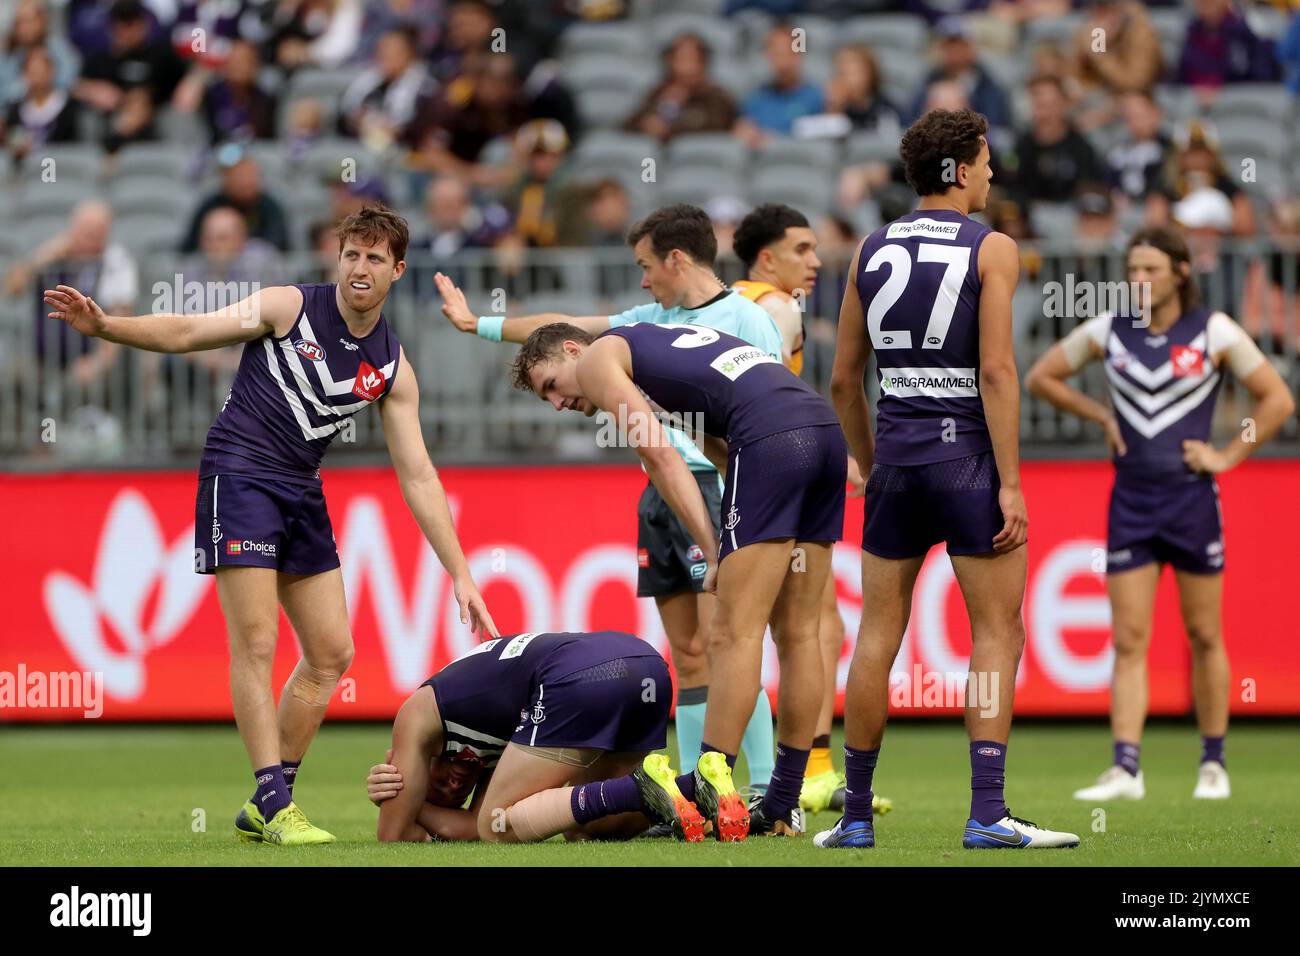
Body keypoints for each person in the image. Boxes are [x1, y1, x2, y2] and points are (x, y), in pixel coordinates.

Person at [43, 204, 498, 846]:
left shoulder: (392, 366)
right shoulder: (289, 306)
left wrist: (461, 573)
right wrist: (106, 326)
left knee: (332, 652)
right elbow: (186, 332)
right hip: (240, 472)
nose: (360, 268)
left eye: (375, 258)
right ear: (337, 258)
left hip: (301, 487)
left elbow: (419, 475)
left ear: (398, 270)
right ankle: (274, 799)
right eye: (351, 254)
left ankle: (268, 798)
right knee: (257, 645)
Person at [435, 205, 781, 805]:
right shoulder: (646, 320)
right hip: (660, 493)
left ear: (676, 259)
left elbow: (765, 406)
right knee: (690, 653)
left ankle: (767, 785)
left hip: (713, 482)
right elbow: (561, 324)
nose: (642, 279)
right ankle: (703, 788)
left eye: (646, 266)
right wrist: (478, 326)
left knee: (729, 635)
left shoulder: (746, 319)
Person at [821, 106, 1078, 851]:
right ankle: (988, 813)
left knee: (875, 636)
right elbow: (998, 369)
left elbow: (843, 381)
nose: (994, 172)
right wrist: (1012, 483)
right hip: (966, 460)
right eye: (988, 160)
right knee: (996, 634)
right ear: (961, 170)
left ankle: (857, 817)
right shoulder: (992, 247)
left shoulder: (869, 248)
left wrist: (869, 464)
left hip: (897, 463)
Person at [508, 312, 846, 841]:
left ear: (574, 350)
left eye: (551, 385)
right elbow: (713, 440)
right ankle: (781, 801)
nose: (557, 403)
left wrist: (714, 552)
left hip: (772, 436)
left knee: (733, 629)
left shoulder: (601, 359)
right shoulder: (658, 353)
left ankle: (708, 783)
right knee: (800, 632)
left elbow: (662, 458)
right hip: (821, 430)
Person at [1025, 225, 1294, 803]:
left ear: (1179, 273)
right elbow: (1041, 377)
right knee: (1128, 639)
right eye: (1134, 270)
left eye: (1151, 269)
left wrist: (1228, 452)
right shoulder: (1109, 330)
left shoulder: (1214, 331)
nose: (1140, 280)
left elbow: (1277, 399)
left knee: (1203, 633)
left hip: (1193, 501)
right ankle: (1126, 768)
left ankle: (1214, 762)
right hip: (1132, 502)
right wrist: (1098, 415)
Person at [730, 203, 883, 816]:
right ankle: (804, 771)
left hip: (743, 473)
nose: (817, 262)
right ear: (766, 258)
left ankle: (745, 772)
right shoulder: (776, 307)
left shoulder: (728, 301)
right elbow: (768, 397)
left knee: (752, 631)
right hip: (772, 480)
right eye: (802, 249)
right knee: (805, 628)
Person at [366, 630, 705, 843]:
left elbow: (393, 835)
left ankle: (640, 786)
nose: (454, 783)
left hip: (585, 675)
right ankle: (697, 791)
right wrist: (411, 801)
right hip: (646, 666)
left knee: (496, 828)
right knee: (587, 828)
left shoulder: (418, 714)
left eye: (436, 780)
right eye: (451, 795)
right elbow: (468, 825)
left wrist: (405, 801)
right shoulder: (486, 716)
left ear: (420, 767)